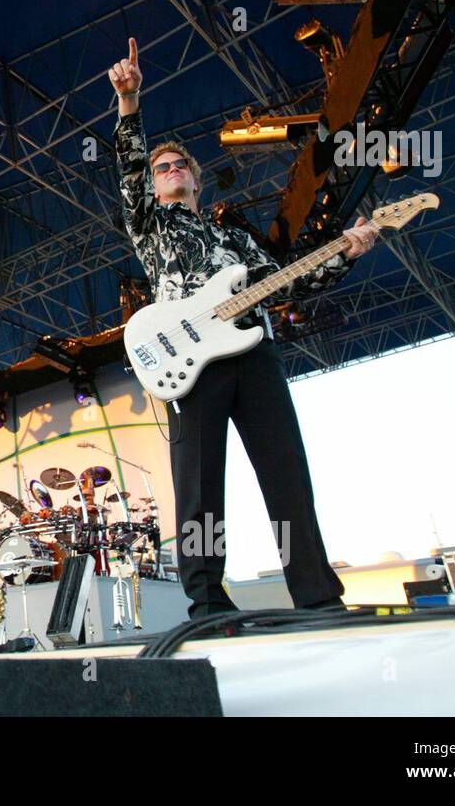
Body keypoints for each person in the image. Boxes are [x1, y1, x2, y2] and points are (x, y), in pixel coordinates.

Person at [107, 37, 380, 619]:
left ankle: (316, 593)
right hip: (188, 359)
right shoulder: (150, 224)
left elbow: (291, 283)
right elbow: (127, 169)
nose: (172, 169)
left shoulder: (235, 239)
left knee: (287, 474)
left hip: (256, 354)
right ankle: (207, 603)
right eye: (163, 167)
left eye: (181, 164)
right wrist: (130, 103)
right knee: (200, 486)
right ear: (155, 185)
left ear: (197, 179)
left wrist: (345, 252)